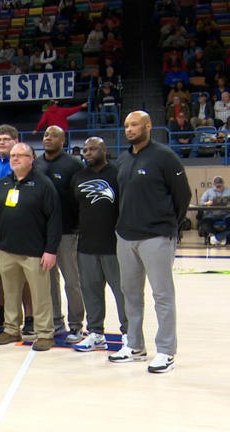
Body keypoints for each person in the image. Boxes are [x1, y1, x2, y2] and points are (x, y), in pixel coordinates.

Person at [108, 111, 191, 373]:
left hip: (156, 236)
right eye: (126, 126)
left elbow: (183, 195)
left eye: (134, 125)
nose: (129, 129)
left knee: (162, 295)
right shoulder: (122, 160)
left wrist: (169, 225)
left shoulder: (165, 156)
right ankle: (134, 345)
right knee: (130, 294)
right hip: (126, 236)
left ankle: (166, 351)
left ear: (148, 126)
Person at [0, 142, 61, 352]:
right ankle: (11, 329)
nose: (15, 159)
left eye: (20, 155)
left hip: (35, 252)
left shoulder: (43, 184)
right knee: (10, 293)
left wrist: (51, 250)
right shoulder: (3, 184)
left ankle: (45, 333)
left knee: (40, 295)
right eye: (12, 155)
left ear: (31, 159)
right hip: (6, 251)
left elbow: (54, 219)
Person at [70, 137, 128, 351]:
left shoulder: (117, 175)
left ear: (104, 150)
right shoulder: (78, 177)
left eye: (93, 149)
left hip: (114, 247)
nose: (87, 152)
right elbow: (73, 209)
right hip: (86, 246)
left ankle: (129, 334)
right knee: (91, 292)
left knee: (122, 293)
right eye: (85, 149)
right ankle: (95, 333)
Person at [33, 125, 85, 344]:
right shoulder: (36, 164)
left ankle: (76, 325)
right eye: (45, 135)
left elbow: (81, 199)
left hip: (67, 232)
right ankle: (55, 321)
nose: (48, 138)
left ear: (63, 141)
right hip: (42, 234)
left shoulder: (74, 165)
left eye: (54, 135)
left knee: (72, 281)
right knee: (48, 282)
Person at [199, 176, 230, 245]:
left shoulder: (228, 191)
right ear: (214, 185)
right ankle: (222, 237)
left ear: (223, 184)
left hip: (226, 213)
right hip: (212, 214)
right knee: (204, 223)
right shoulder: (208, 192)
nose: (218, 187)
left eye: (220, 186)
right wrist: (207, 203)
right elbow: (201, 203)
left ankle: (217, 238)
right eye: (217, 186)